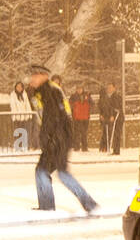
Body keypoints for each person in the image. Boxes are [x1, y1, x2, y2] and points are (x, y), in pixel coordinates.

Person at [27, 63, 98, 213]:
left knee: (46, 172)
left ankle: (49, 207)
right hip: (58, 139)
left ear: (43, 76)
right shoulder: (44, 91)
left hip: (57, 139)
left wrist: (52, 139)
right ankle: (89, 204)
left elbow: (54, 118)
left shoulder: (50, 91)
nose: (31, 79)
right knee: (55, 172)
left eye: (34, 76)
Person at [9, 80, 37, 150]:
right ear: (15, 88)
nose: (19, 88)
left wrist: (29, 113)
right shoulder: (13, 95)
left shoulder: (24, 94)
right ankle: (17, 146)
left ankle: (25, 146)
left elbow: (27, 104)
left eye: (20, 87)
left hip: (25, 116)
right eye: (18, 87)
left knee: (25, 131)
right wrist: (17, 115)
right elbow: (13, 105)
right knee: (17, 131)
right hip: (17, 116)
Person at [98, 81, 123, 154]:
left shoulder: (117, 97)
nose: (109, 89)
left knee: (117, 134)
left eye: (111, 88)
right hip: (109, 118)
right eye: (108, 88)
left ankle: (116, 150)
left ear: (114, 88)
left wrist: (113, 115)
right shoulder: (106, 97)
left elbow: (117, 108)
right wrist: (102, 114)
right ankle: (108, 148)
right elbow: (104, 107)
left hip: (118, 118)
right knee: (109, 133)